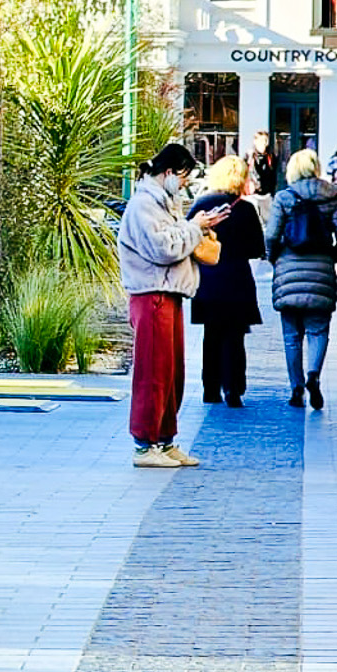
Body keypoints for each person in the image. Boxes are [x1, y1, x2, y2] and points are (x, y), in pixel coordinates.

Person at [117, 142, 223, 468]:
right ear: (169, 173)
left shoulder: (164, 203)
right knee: (153, 372)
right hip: (152, 295)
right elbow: (163, 247)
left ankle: (165, 440)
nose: (186, 183)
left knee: (171, 372)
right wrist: (195, 227)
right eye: (184, 176)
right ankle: (145, 444)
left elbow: (174, 237)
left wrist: (194, 227)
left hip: (169, 295)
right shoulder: (144, 205)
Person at [266, 148, 337, 410]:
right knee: (318, 330)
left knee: (291, 335)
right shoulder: (330, 197)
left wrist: (275, 259)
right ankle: (313, 374)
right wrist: (331, 258)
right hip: (321, 269)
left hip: (289, 269)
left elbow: (271, 236)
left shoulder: (284, 197)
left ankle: (297, 388)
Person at [188, 154, 266, 408]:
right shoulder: (245, 209)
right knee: (235, 336)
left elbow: (187, 238)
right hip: (236, 279)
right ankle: (234, 388)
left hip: (208, 278)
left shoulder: (201, 205)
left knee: (211, 335)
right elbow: (257, 247)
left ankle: (210, 388)